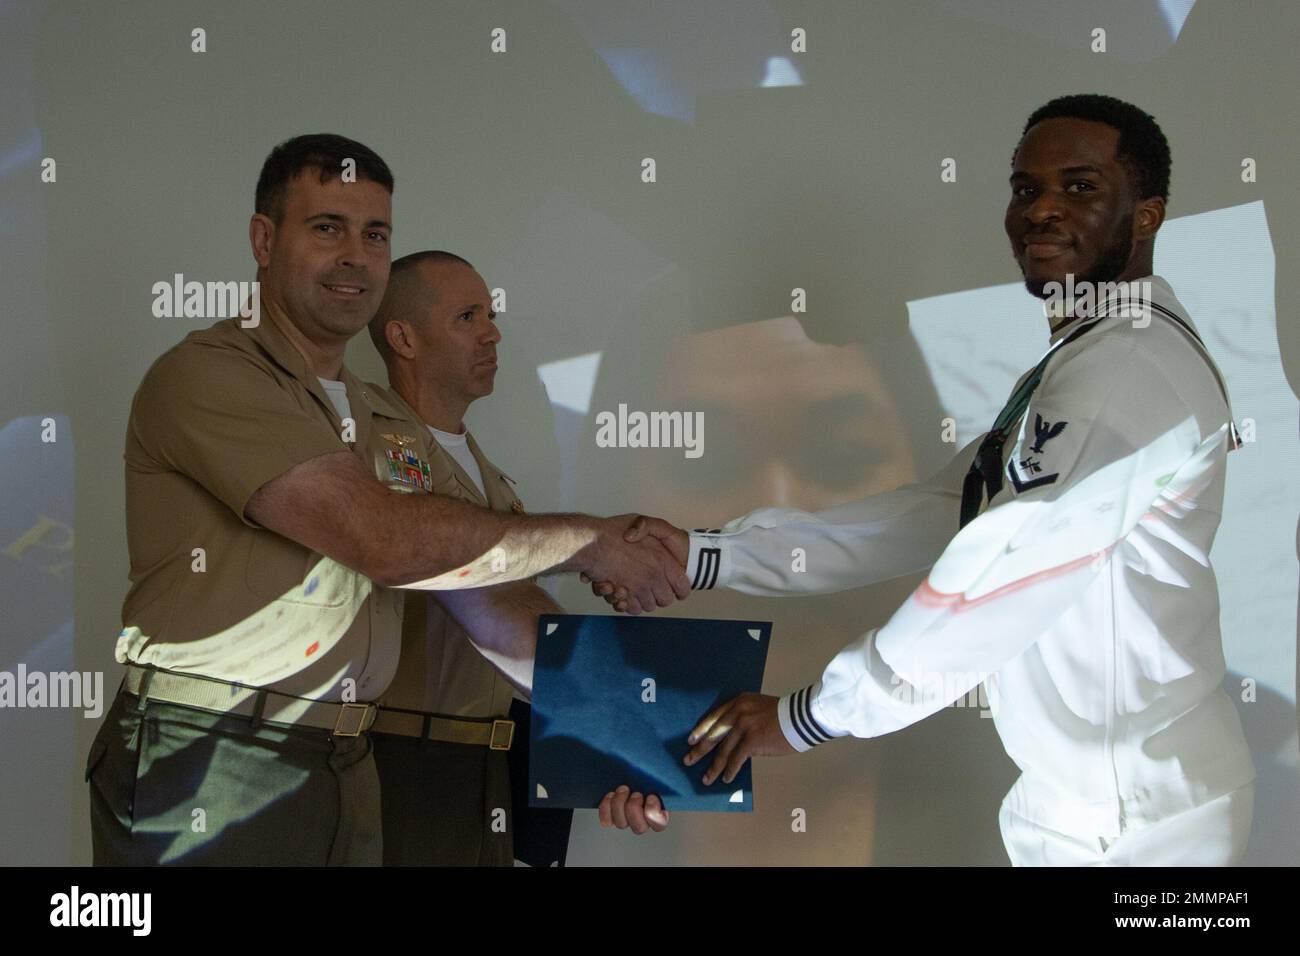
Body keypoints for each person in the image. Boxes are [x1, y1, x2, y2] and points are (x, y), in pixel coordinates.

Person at [594, 94, 1257, 866]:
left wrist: (809, 715)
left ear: (1147, 215)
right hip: (1081, 810)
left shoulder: (1126, 367)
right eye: (1025, 188)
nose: (1042, 210)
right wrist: (712, 553)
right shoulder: (1083, 359)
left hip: (1145, 822)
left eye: (1080, 187)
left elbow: (995, 574)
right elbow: (939, 509)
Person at [85, 133, 688, 865]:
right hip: (212, 750)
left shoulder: (387, 427)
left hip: (344, 759)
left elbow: (482, 597)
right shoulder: (211, 375)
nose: (355, 256)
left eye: (374, 235)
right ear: (263, 239)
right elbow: (381, 539)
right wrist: (591, 540)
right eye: (326, 228)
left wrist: (638, 737)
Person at [366, 250, 669, 864]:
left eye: (492, 313)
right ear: (403, 337)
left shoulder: (487, 477)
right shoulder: (377, 443)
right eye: (467, 316)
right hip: (409, 755)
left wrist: (619, 737)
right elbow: (471, 584)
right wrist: (593, 551)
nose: (493, 331)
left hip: (491, 756)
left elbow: (514, 607)